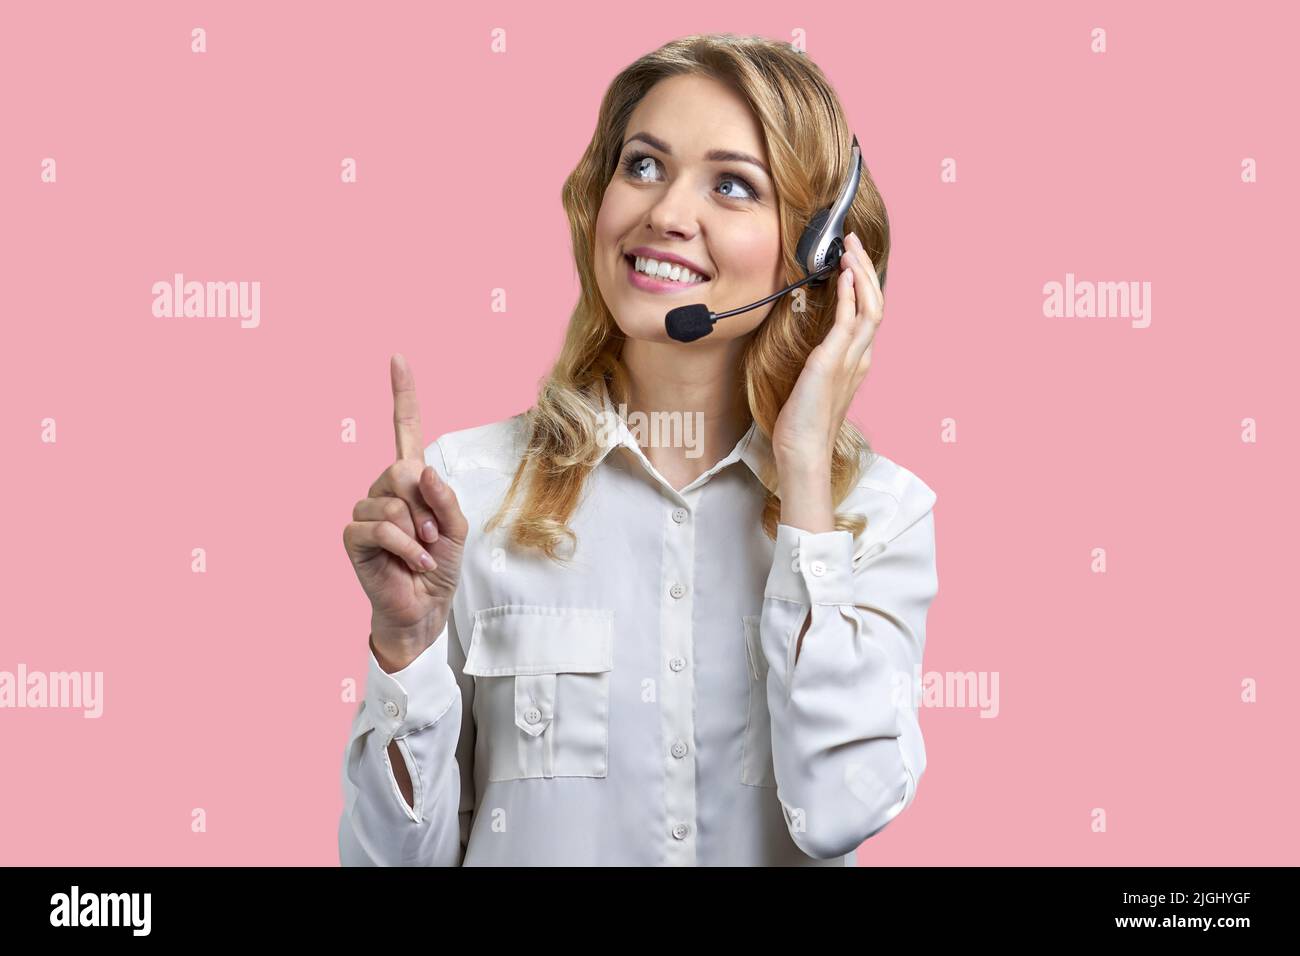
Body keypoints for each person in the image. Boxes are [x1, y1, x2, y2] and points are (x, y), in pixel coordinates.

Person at [338, 33, 938, 866]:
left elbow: (841, 811)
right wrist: (405, 648)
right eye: (644, 166)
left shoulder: (882, 518)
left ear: (817, 256)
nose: (665, 214)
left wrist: (804, 474)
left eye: (731, 184)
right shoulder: (464, 494)